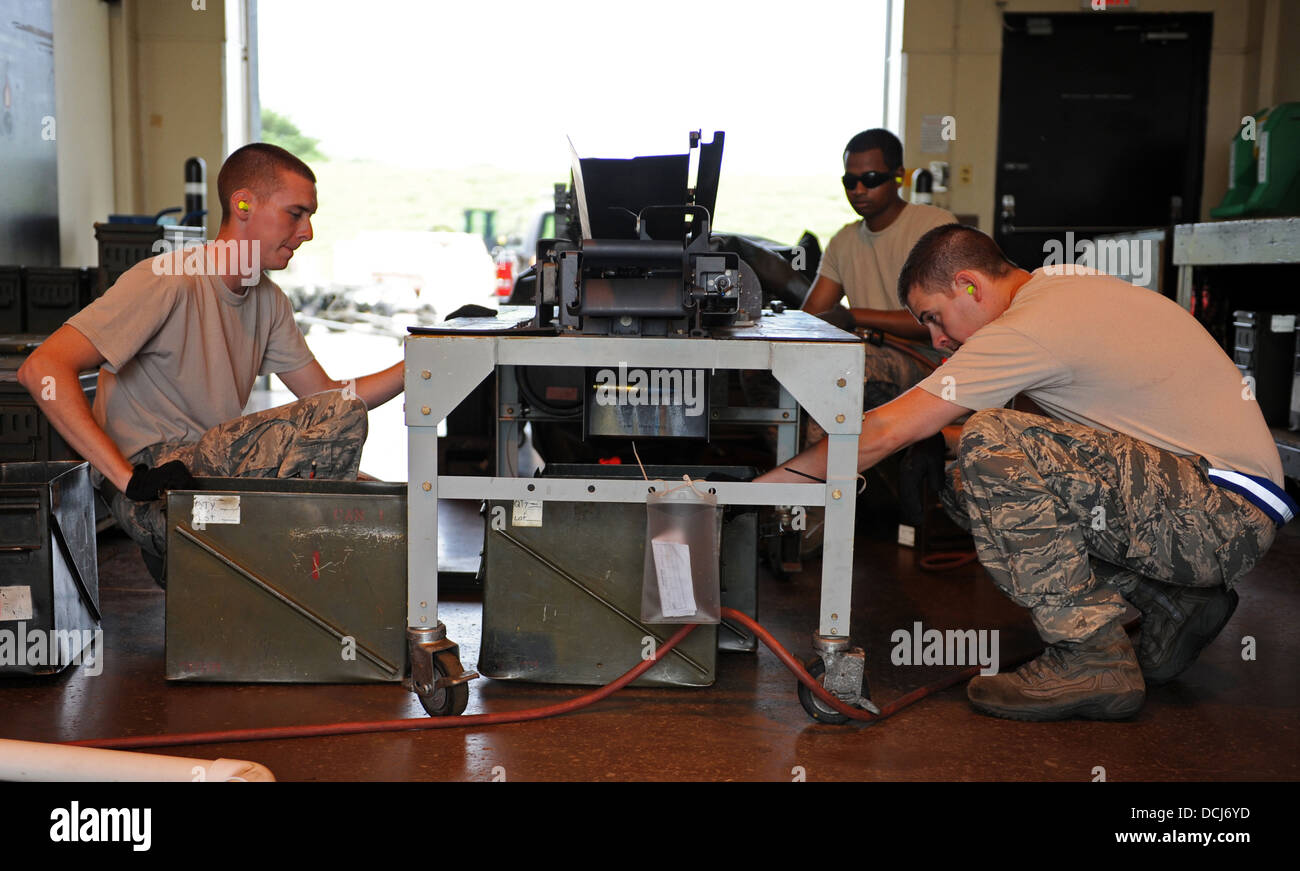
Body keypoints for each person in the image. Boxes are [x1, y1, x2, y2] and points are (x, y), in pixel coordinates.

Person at [762, 223, 1293, 721]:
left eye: (932, 317)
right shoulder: (1060, 287)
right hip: (1217, 504)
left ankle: (1089, 657)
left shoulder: (1026, 328)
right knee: (967, 478)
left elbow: (880, 432)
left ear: (968, 285)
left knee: (988, 440)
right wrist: (934, 442)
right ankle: (1173, 599)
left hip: (1220, 515)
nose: (937, 339)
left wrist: (749, 497)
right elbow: (1056, 448)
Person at [18, 143, 405, 584]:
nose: (308, 232)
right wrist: (128, 479)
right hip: (157, 485)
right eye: (295, 214)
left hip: (208, 472)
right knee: (344, 431)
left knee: (383, 499)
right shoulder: (167, 281)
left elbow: (325, 399)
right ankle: (294, 585)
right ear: (243, 204)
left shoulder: (269, 301)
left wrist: (417, 364)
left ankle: (283, 599)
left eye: (310, 216)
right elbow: (43, 369)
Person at [802, 128, 956, 408]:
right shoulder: (843, 240)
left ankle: (833, 451)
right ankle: (802, 450)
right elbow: (812, 317)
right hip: (868, 352)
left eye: (870, 179)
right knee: (765, 372)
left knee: (843, 369)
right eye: (850, 181)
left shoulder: (934, 228)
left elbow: (942, 319)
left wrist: (853, 316)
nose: (858, 190)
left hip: (930, 362)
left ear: (898, 176)